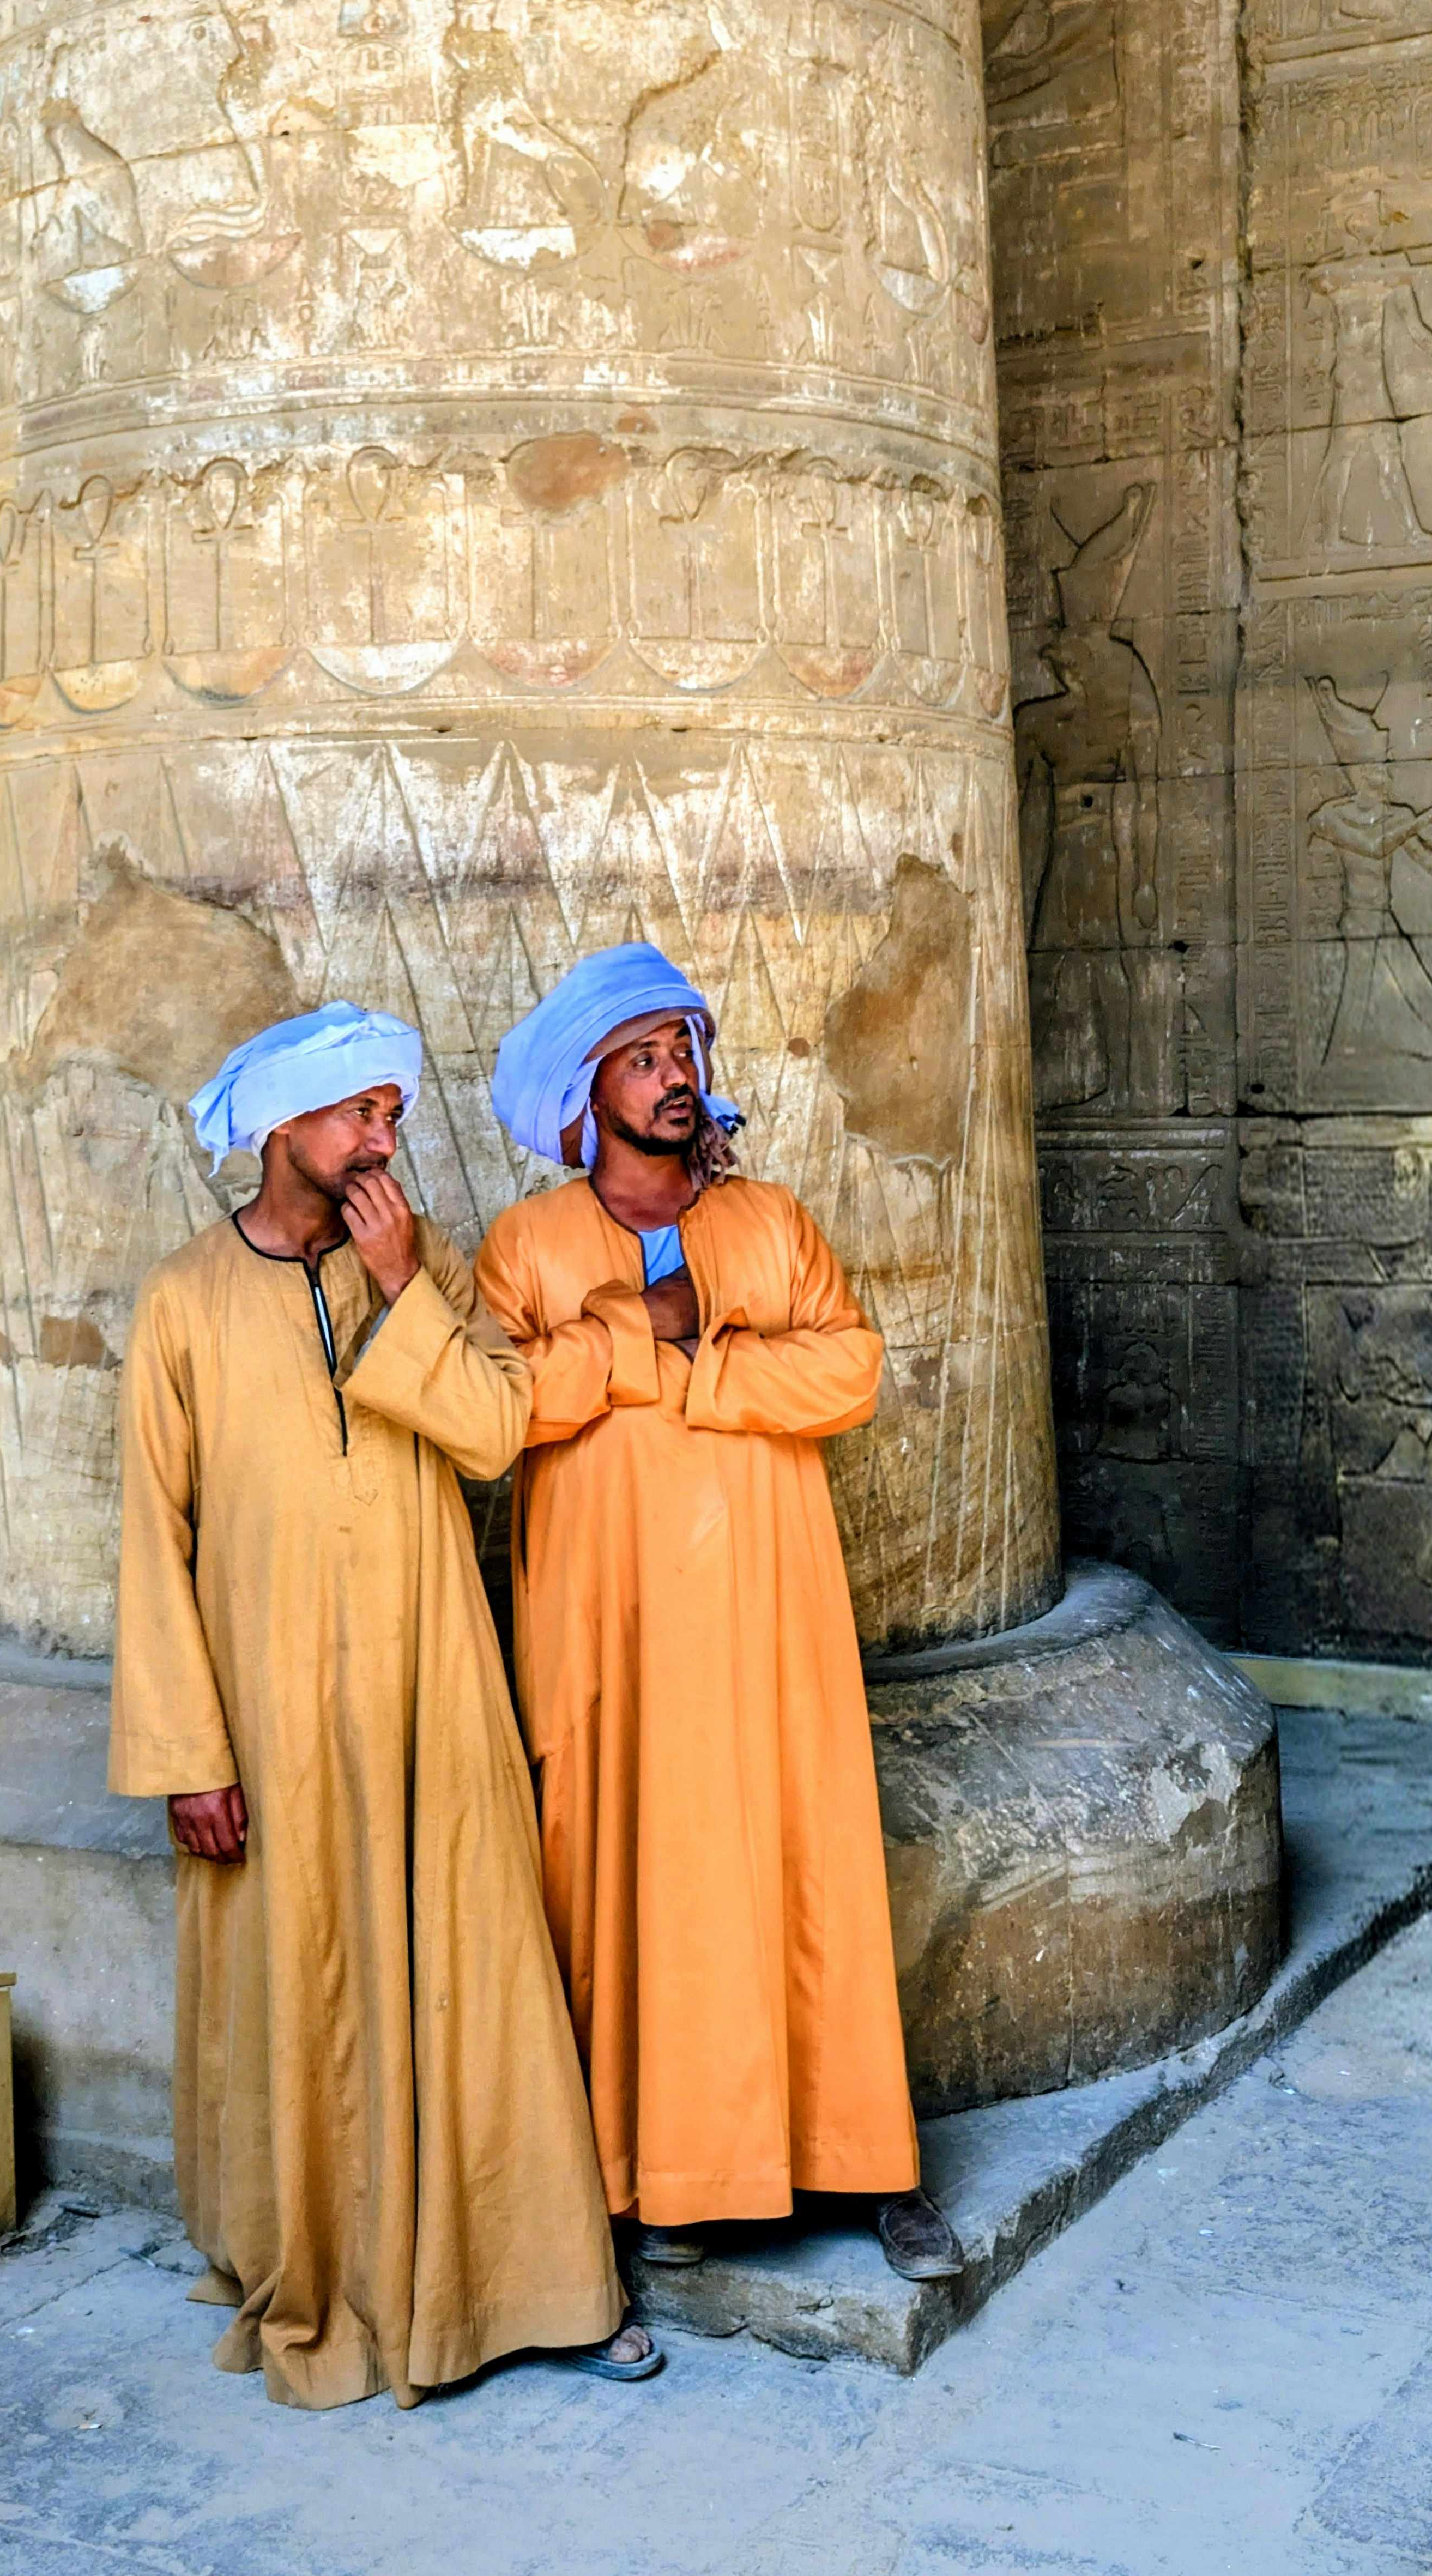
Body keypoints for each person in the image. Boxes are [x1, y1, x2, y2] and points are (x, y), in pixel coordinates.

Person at [108, 1000, 652, 2409]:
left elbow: (489, 1433)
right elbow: (151, 1542)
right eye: (362, 1113)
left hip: (432, 1690)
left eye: (394, 1116)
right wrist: (186, 1752)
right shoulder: (184, 1296)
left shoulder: (410, 1267)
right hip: (268, 1718)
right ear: (286, 1128)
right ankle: (321, 2266)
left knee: (467, 1962)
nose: (383, 1140)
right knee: (304, 1990)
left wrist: (410, 1286)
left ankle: (513, 2282)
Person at [475, 946, 964, 2287]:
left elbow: (849, 1370)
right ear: (585, 1099)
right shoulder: (525, 1246)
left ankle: (874, 2171)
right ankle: (663, 2182)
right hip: (612, 1644)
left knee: (806, 1869)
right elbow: (500, 1406)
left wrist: (702, 1359)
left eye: (681, 1052)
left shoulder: (772, 1224)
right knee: (643, 1888)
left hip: (769, 1623)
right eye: (641, 1060)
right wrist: (647, 1329)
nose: (674, 1077)